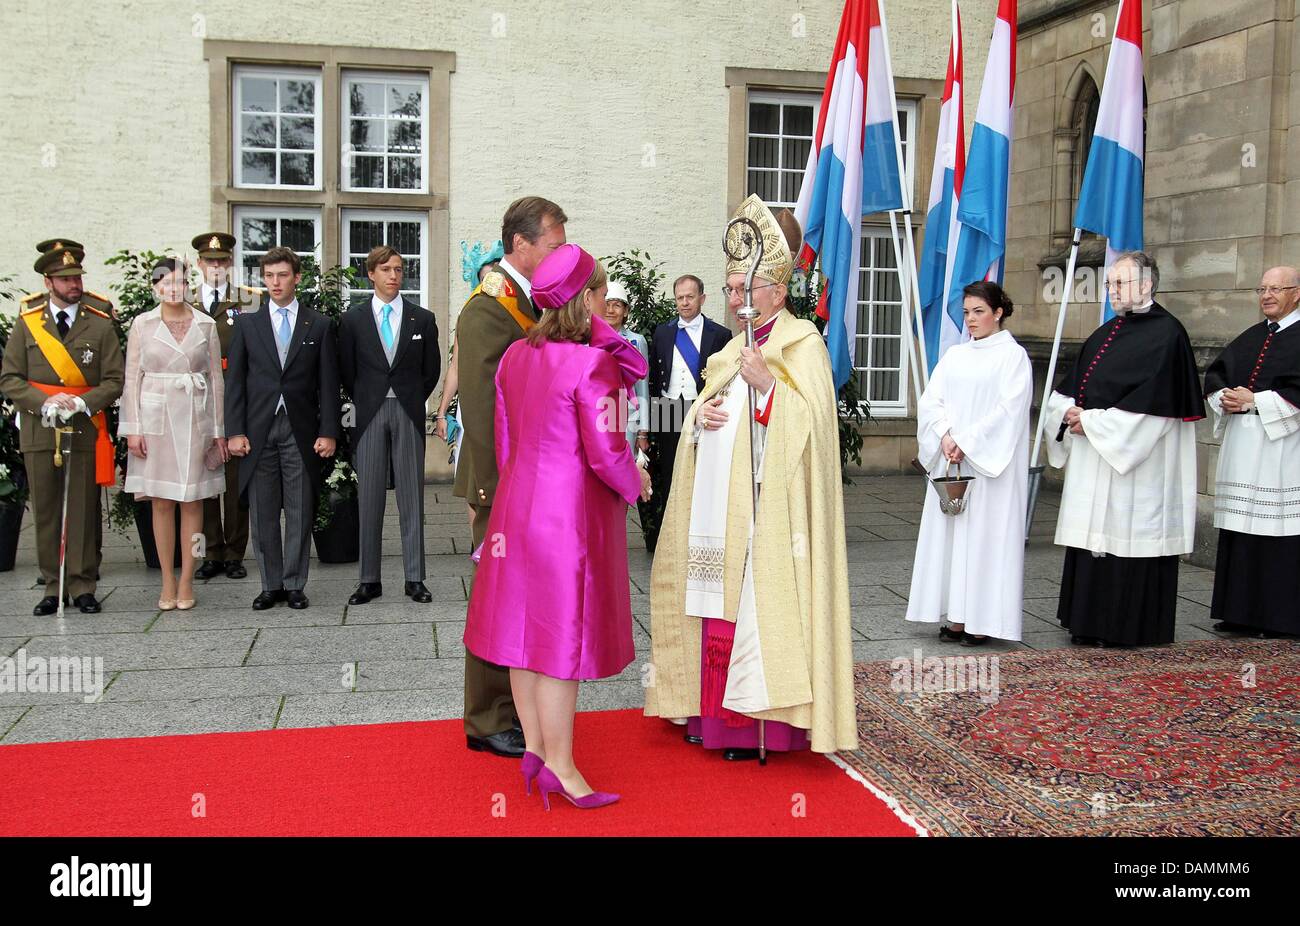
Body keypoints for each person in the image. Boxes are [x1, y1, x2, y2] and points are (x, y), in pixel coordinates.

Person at [644, 194, 858, 758]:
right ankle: (710, 715)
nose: (735, 298)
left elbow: (811, 425)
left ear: (777, 293)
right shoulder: (731, 348)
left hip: (772, 510)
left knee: (759, 612)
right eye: (732, 288)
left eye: (746, 288)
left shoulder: (802, 344)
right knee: (716, 607)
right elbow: (702, 411)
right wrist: (699, 417)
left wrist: (766, 387)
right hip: (724, 508)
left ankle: (762, 726)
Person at [464, 244, 651, 809]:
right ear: (584, 300)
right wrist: (635, 480)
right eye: (599, 292)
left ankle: (540, 754)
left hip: (516, 511)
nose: (604, 301)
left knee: (523, 641)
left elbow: (503, 442)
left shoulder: (516, 356)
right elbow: (605, 448)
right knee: (560, 646)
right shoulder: (591, 362)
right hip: (565, 520)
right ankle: (564, 767)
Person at [453, 197, 567, 759]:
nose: (560, 254)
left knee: (517, 596)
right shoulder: (486, 309)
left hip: (531, 480)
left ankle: (513, 711)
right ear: (520, 244)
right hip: (501, 482)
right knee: (494, 599)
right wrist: (491, 491)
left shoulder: (528, 302)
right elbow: (479, 412)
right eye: (553, 245)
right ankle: (486, 717)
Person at [1045, 251, 1203, 647]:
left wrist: (1092, 423)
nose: (1112, 291)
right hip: (1095, 456)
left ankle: (1126, 626)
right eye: (1109, 284)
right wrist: (1066, 413)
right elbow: (1065, 391)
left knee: (1127, 537)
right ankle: (1087, 622)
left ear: (1147, 284)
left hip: (1138, 465)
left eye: (1120, 283)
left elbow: (1156, 410)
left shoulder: (1168, 335)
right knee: (1095, 539)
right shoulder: (1104, 333)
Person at [905, 281, 1032, 645]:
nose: (971, 320)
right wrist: (945, 435)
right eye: (966, 313)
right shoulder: (956, 355)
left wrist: (967, 441)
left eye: (979, 312)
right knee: (952, 541)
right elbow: (932, 401)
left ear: (998, 312)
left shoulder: (1013, 357)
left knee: (983, 541)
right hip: (952, 463)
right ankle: (956, 618)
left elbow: (1008, 410)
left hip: (990, 470)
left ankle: (980, 620)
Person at [1, 242, 123, 615]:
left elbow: (114, 378)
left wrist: (83, 402)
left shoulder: (99, 324)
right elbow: (10, 378)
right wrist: (44, 402)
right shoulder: (28, 324)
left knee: (83, 510)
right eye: (66, 278)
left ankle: (83, 584)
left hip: (84, 426)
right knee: (48, 509)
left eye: (77, 277)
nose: (74, 283)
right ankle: (53, 585)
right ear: (48, 281)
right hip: (41, 429)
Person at [224, 247, 340, 611]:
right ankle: (269, 583)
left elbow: (327, 383)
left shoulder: (318, 325)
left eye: (282, 275)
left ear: (296, 278)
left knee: (299, 508)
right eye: (269, 276)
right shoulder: (247, 325)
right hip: (258, 430)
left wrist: (329, 431)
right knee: (263, 510)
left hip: (301, 429)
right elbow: (236, 382)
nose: (275, 283)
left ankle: (294, 583)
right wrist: (234, 431)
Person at [119, 258, 227, 610]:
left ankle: (187, 578)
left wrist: (218, 431)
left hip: (196, 421)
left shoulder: (206, 324)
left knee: (194, 503)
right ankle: (167, 576)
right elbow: (131, 377)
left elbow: (216, 379)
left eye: (179, 281)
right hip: (155, 421)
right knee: (162, 503)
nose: (172, 288)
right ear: (155, 287)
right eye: (164, 282)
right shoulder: (142, 324)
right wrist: (132, 429)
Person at [338, 245, 441, 606]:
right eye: (386, 269)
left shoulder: (422, 319)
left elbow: (432, 370)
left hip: (408, 411)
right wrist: (369, 397)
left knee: (412, 496)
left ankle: (415, 578)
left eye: (399, 269)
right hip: (369, 413)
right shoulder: (352, 320)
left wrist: (410, 396)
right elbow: (346, 371)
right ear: (371, 274)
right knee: (368, 498)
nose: (394, 275)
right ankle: (369, 579)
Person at [1204, 266, 1300, 638]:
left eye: (1276, 288)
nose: (1267, 295)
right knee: (1241, 532)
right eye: (1262, 288)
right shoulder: (1252, 335)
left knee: (1277, 535)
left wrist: (1255, 400)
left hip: (1282, 454)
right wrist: (1222, 397)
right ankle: (1238, 611)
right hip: (1245, 452)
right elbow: (1217, 374)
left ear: (1296, 293)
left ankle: (1278, 617)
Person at [192, 231, 262, 581]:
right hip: (197, 399)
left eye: (221, 261)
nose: (216, 266)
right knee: (203, 480)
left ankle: (234, 551)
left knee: (235, 481)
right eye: (209, 261)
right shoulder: (185, 302)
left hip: (236, 397)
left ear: (230, 263)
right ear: (199, 265)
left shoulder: (249, 300)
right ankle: (208, 553)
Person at [645, 274, 730, 548]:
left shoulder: (720, 334)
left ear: (702, 298)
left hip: (701, 409)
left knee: (703, 471)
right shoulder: (662, 332)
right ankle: (672, 534)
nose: (684, 302)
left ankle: (702, 532)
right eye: (679, 297)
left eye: (690, 297)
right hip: (668, 409)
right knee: (670, 474)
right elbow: (655, 381)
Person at [601, 279, 650, 454]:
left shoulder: (636, 341)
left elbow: (642, 387)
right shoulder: (588, 339)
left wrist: (643, 431)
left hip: (629, 415)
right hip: (596, 413)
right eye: (606, 304)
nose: (610, 310)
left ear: (626, 311)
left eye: (617, 305)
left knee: (626, 465)